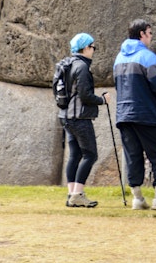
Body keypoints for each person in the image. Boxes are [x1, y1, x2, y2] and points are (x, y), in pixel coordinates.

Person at [113, 19, 156, 211]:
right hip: (147, 114)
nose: (151, 37)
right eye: (150, 33)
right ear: (142, 34)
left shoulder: (119, 58)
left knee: (132, 156)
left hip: (123, 114)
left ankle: (138, 198)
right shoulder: (147, 56)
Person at [60, 32, 106, 208]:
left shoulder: (67, 64)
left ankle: (71, 193)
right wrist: (102, 100)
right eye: (93, 47)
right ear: (86, 48)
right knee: (90, 154)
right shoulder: (82, 67)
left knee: (75, 155)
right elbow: (85, 95)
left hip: (66, 117)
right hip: (80, 117)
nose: (93, 50)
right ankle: (77, 194)